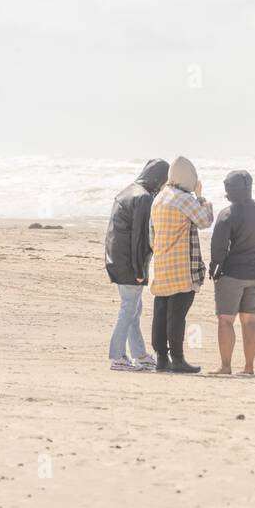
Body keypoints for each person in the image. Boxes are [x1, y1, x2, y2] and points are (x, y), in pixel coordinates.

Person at [149, 156, 214, 374]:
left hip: (161, 265)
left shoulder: (159, 199)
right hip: (182, 267)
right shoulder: (185, 199)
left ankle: (161, 358)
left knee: (161, 311)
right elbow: (205, 220)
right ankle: (177, 359)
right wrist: (201, 196)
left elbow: (152, 236)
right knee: (177, 315)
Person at [104, 159, 169, 371]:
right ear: (160, 179)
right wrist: (140, 271)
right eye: (165, 182)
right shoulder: (142, 198)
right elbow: (140, 239)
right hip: (129, 264)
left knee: (134, 309)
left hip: (117, 260)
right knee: (128, 309)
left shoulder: (128, 191)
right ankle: (117, 356)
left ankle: (139, 355)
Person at [209, 170, 255, 375]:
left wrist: (215, 270)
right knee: (249, 321)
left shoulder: (227, 215)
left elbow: (219, 248)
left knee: (226, 320)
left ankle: (225, 367)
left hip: (233, 274)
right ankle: (249, 367)